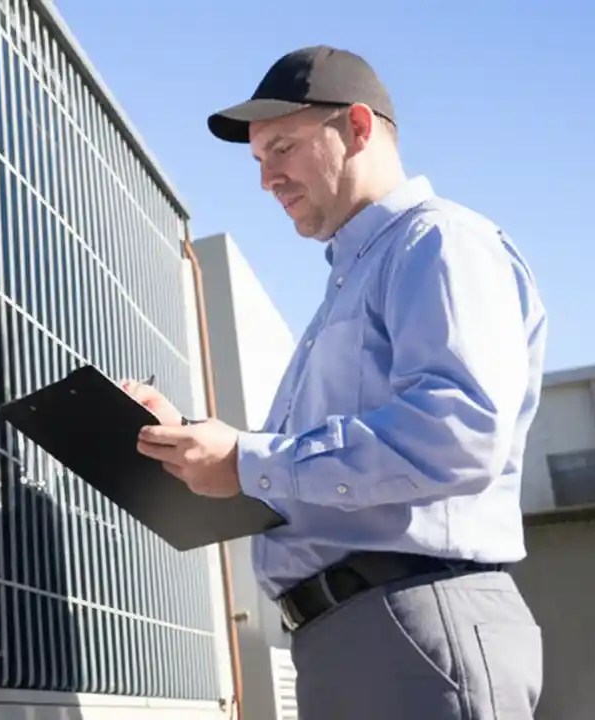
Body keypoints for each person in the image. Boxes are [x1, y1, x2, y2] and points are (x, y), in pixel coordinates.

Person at [124, 45, 547, 719]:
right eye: (259, 161)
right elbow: (308, 480)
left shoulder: (437, 242)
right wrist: (191, 446)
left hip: (412, 623)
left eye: (283, 147)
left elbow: (458, 434)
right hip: (353, 636)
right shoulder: (351, 284)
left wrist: (245, 458)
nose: (268, 178)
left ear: (357, 127)